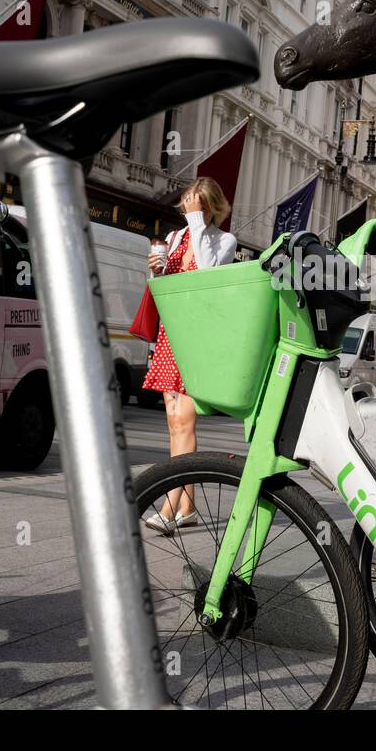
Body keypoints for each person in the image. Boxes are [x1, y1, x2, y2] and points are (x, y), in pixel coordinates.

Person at [141, 177, 237, 533]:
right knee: (173, 422)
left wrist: (197, 222)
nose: (191, 209)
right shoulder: (173, 238)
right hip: (172, 333)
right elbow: (164, 286)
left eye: (199, 204)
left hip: (199, 337)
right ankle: (188, 506)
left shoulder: (224, 240)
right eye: (189, 204)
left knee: (185, 420)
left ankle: (169, 506)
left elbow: (208, 271)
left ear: (211, 207)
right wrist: (156, 271)